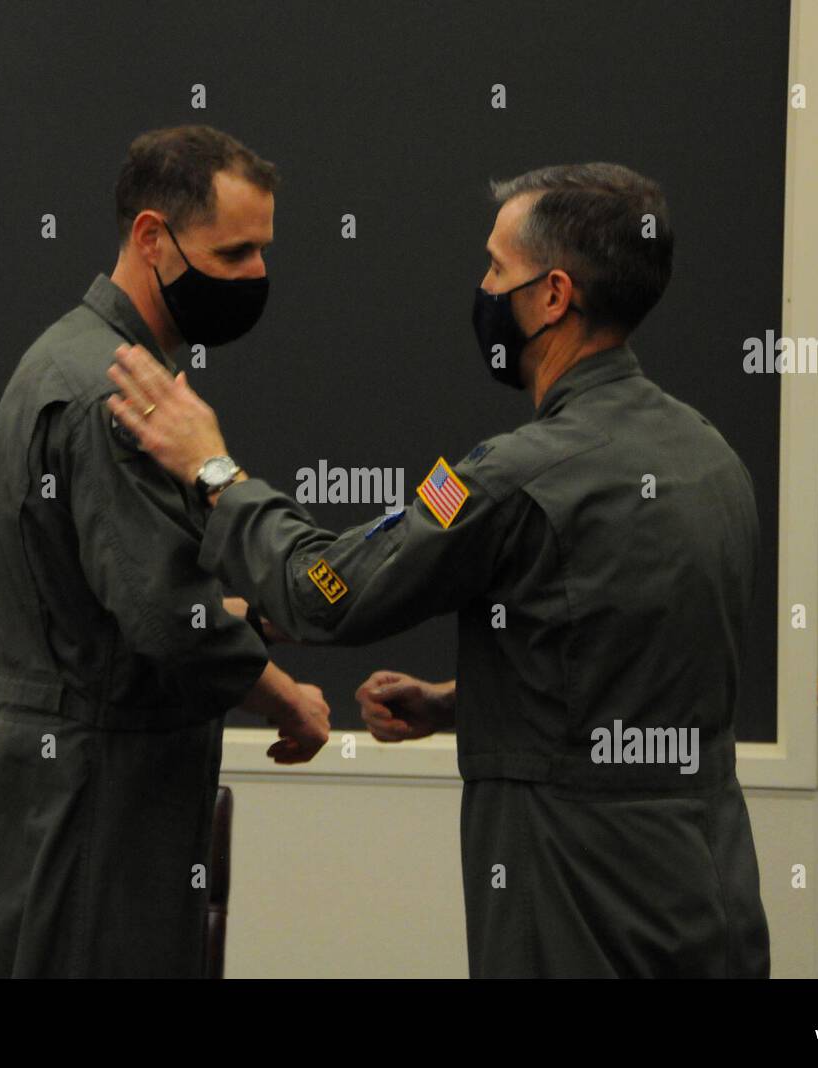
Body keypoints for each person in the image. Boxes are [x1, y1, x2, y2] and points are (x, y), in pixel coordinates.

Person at [105, 162, 772, 978]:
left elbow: (330, 593)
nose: (484, 288)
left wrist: (215, 474)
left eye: (497, 268)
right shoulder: (712, 458)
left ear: (554, 295)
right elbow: (624, 661)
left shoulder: (514, 474)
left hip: (579, 899)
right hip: (712, 892)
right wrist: (463, 704)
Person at [0, 124, 330, 979]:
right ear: (151, 238)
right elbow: (167, 620)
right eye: (234, 252)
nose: (256, 278)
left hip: (76, 787)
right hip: (100, 801)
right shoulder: (115, 394)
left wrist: (240, 610)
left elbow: (111, 597)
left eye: (263, 252)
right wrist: (286, 701)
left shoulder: (74, 357)